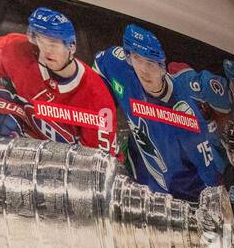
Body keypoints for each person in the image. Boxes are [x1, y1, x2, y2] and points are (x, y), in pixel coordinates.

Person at [0, 6, 118, 154]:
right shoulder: (17, 49)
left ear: (71, 47)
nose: (46, 51)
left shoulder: (97, 96)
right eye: (41, 41)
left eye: (53, 43)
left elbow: (97, 164)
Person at [93, 24, 221, 200]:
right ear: (129, 57)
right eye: (137, 58)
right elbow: (100, 67)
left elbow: (210, 182)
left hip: (171, 197)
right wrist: (103, 117)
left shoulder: (187, 116)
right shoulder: (119, 64)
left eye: (151, 63)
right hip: (133, 170)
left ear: (162, 67)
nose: (144, 70)